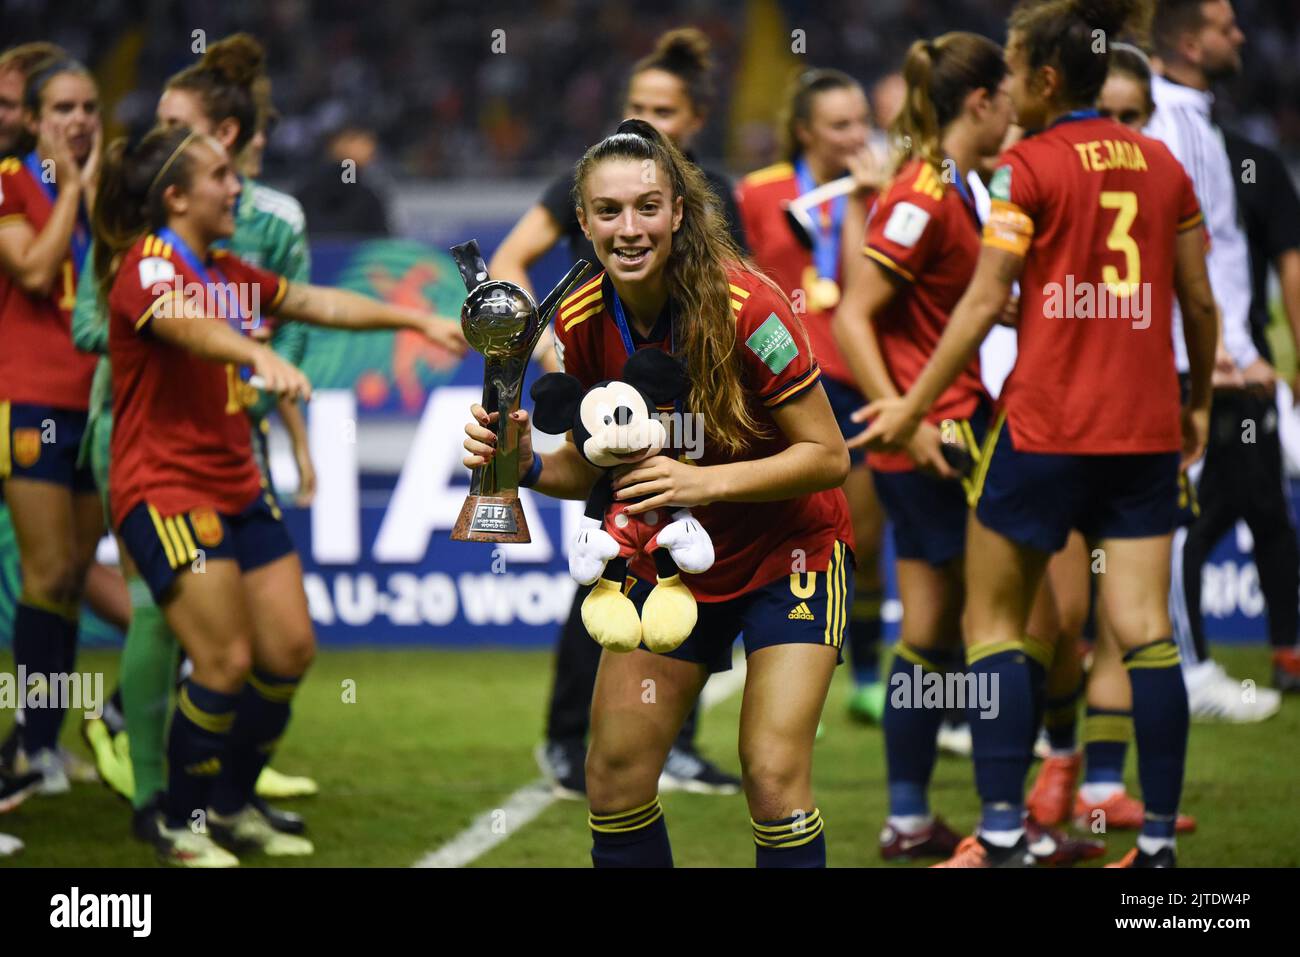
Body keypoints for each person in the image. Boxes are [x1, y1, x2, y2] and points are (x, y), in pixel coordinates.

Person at [862, 0, 1217, 868]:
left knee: (995, 626)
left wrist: (907, 408)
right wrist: (1196, 402)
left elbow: (985, 301)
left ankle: (1000, 832)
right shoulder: (1164, 164)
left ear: (1047, 79)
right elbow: (1200, 302)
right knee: (1142, 629)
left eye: (1016, 69)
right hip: (1142, 433)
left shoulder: (1025, 168)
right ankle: (1160, 846)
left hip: (1044, 427)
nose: (1007, 85)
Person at [464, 119, 853, 867]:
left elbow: (827, 455)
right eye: (608, 211)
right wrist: (525, 465)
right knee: (612, 776)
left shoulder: (752, 308)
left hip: (790, 553)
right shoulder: (576, 319)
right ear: (582, 222)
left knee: (771, 776)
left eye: (648, 206)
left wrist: (703, 480)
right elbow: (590, 467)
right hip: (670, 563)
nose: (629, 228)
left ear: (679, 209)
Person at [94, 124, 464, 865]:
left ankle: (231, 803)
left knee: (289, 648)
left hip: (236, 483)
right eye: (222, 175)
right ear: (176, 195)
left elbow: (322, 304)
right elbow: (187, 328)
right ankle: (180, 819)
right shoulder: (147, 267)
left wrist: (417, 317)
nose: (237, 187)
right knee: (222, 659)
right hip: (164, 492)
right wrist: (255, 350)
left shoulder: (228, 268)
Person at [73, 36, 320, 845]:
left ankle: (214, 796)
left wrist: (276, 401)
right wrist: (202, 339)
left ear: (231, 141)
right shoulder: (138, 252)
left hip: (234, 451)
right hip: (145, 448)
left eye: (179, 126)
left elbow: (296, 326)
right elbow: (93, 324)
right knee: (170, 624)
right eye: (162, 129)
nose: (156, 139)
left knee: (261, 645)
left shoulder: (268, 228)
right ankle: (157, 798)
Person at [490, 27, 743, 799]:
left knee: (686, 569)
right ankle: (568, 741)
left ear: (694, 119)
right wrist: (545, 348)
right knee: (604, 566)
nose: (644, 119)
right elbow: (507, 259)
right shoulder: (585, 178)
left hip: (688, 406)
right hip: (602, 406)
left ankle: (676, 742)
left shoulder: (714, 194)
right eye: (635, 105)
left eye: (662, 109)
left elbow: (733, 299)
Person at [832, 33, 1011, 860]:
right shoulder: (925, 192)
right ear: (980, 100)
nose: (1014, 106)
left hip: (950, 425)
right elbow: (853, 313)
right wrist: (903, 412)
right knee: (997, 623)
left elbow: (938, 304)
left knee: (934, 625)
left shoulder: (958, 187)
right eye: (1005, 92)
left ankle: (911, 817)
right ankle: (1007, 820)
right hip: (941, 436)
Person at [1028, 45, 1194, 835]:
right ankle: (1060, 756)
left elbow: (1189, 299)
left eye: (1137, 117)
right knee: (1062, 617)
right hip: (1051, 419)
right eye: (1114, 113)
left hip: (1134, 415)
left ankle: (1098, 785)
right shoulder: (1041, 173)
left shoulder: (1155, 176)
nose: (1122, 131)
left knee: (1131, 621)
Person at [736, 67, 889, 724]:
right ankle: (789, 679)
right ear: (803, 131)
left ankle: (871, 675)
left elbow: (866, 292)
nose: (857, 134)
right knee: (780, 540)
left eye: (861, 120)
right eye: (839, 124)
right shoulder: (756, 193)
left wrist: (867, 200)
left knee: (862, 540)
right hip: (780, 386)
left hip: (857, 381)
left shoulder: (885, 194)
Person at [1146, 0, 1284, 721]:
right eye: (1228, 28)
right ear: (1194, 44)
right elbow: (1194, 254)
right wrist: (1223, 356)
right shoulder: (1181, 127)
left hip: (1183, 354)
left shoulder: (1181, 119)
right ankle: (1186, 669)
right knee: (1167, 519)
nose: (1241, 38)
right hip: (1183, 361)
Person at [0, 54, 102, 793]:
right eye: (63, 108)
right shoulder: (8, 181)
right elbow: (35, 270)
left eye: (90, 108)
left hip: (94, 404)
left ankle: (40, 738)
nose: (79, 121)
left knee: (70, 574)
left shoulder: (108, 195)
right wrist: (70, 188)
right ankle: (31, 745)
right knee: (45, 572)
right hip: (29, 397)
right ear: (33, 120)